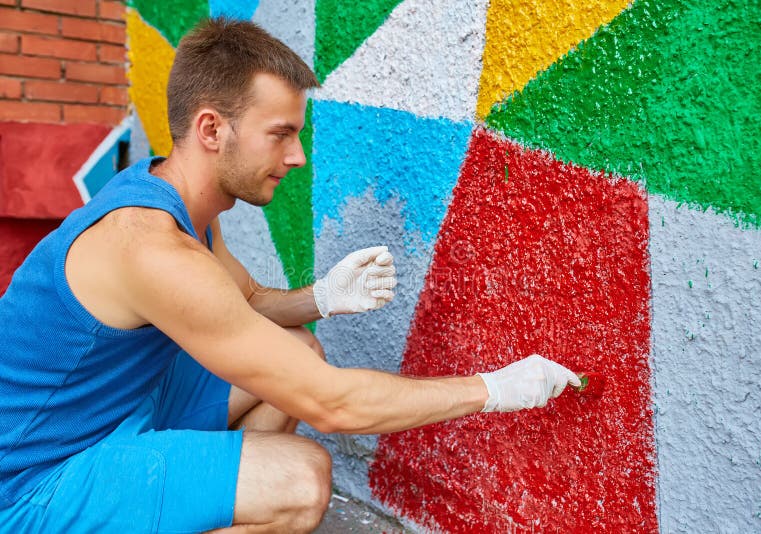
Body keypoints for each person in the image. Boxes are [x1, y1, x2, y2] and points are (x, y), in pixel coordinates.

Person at [0, 17, 581, 533]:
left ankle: (191, 500)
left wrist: (323, 297)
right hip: (34, 479)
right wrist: (495, 389)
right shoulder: (153, 249)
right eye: (280, 133)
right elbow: (333, 406)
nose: (298, 155)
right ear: (211, 130)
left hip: (118, 410)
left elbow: (245, 300)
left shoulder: (172, 198)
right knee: (300, 482)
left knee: (299, 346)